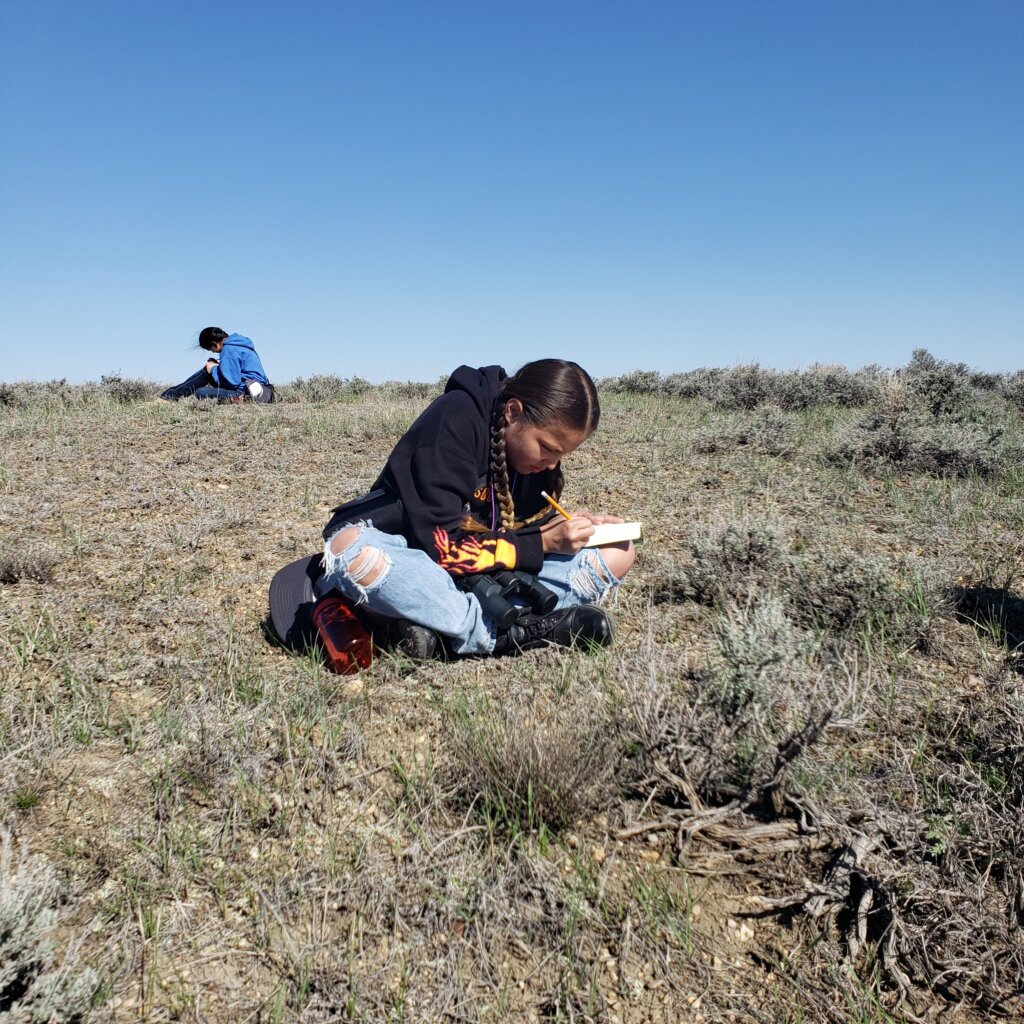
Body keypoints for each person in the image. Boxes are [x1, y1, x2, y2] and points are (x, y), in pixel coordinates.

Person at [318, 359, 636, 657]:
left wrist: (567, 529)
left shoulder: (533, 459)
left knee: (620, 549)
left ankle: (445, 627)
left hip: (483, 575)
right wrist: (541, 542)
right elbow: (443, 549)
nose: (552, 463)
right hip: (420, 557)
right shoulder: (456, 418)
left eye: (561, 455)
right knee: (351, 548)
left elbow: (518, 525)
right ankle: (510, 632)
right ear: (513, 412)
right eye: (547, 448)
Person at [160, 327, 274, 403]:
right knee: (207, 373)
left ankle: (169, 397)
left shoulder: (228, 350)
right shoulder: (239, 344)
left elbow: (233, 383)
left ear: (214, 344)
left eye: (211, 350)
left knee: (201, 391)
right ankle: (170, 396)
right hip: (258, 386)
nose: (213, 352)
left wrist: (213, 368)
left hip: (246, 390)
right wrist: (218, 366)